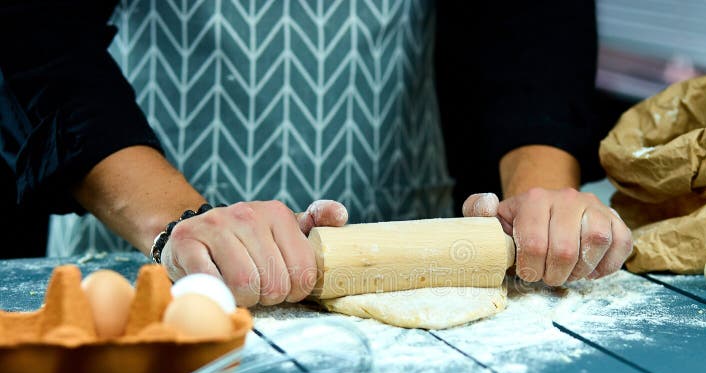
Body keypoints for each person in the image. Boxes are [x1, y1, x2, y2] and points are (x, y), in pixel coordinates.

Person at [0, 1, 631, 307]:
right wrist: (173, 220)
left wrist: (539, 206)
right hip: (143, 244)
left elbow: (530, 20)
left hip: (408, 238)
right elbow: (32, 35)